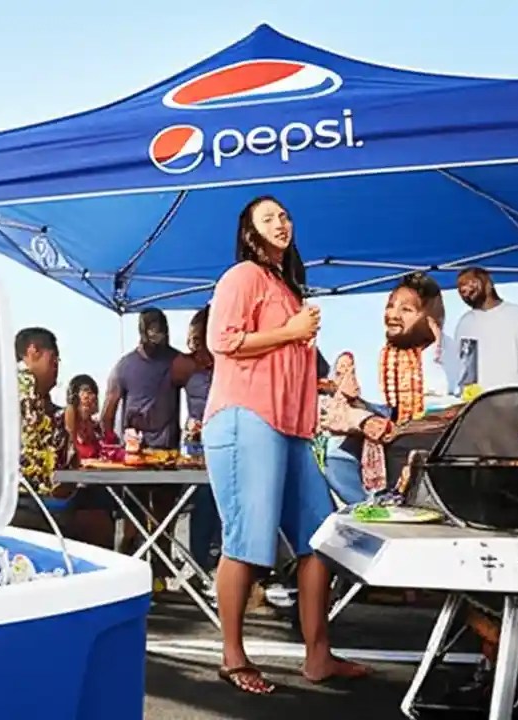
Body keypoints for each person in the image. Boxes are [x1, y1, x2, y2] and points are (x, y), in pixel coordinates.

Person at [203, 194, 367, 695]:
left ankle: (319, 655)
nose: (282, 223)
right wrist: (291, 330)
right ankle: (233, 656)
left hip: (293, 429)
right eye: (269, 218)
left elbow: (286, 364)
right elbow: (222, 340)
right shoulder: (242, 277)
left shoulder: (287, 289)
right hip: (245, 418)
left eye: (286, 216)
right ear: (251, 231)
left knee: (319, 539)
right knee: (246, 540)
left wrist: (326, 385)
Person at [101, 308, 189, 568]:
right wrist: (109, 447)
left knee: (164, 522)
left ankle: (160, 576)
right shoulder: (125, 366)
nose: (157, 340)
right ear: (141, 334)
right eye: (152, 334)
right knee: (131, 522)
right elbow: (108, 410)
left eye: (162, 334)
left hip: (168, 456)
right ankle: (124, 573)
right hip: (134, 456)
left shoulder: (176, 361)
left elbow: (200, 390)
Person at [11, 327, 114, 549]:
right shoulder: (24, 389)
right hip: (28, 503)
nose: (56, 371)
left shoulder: (18, 391)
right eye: (54, 361)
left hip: (28, 499)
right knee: (99, 513)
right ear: (33, 351)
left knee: (99, 502)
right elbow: (50, 474)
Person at [380, 272, 462, 422]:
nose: (392, 315)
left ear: (430, 316)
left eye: (406, 309)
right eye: (390, 306)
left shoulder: (445, 353)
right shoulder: (392, 353)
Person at [319, 351, 397, 504]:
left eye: (351, 370)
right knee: (357, 504)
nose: (348, 376)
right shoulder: (326, 402)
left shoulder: (368, 406)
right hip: (338, 459)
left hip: (358, 461)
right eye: (342, 372)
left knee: (366, 504)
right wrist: (364, 421)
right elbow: (334, 417)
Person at [178, 307, 220, 572]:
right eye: (192, 340)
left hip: (225, 441)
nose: (195, 347)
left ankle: (220, 561)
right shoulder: (185, 367)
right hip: (196, 445)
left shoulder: (228, 365)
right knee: (201, 500)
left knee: (222, 504)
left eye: (200, 340)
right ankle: (198, 565)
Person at [64, 374, 104, 461]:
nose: (86, 396)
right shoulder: (64, 429)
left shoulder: (97, 429)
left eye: (90, 393)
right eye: (81, 392)